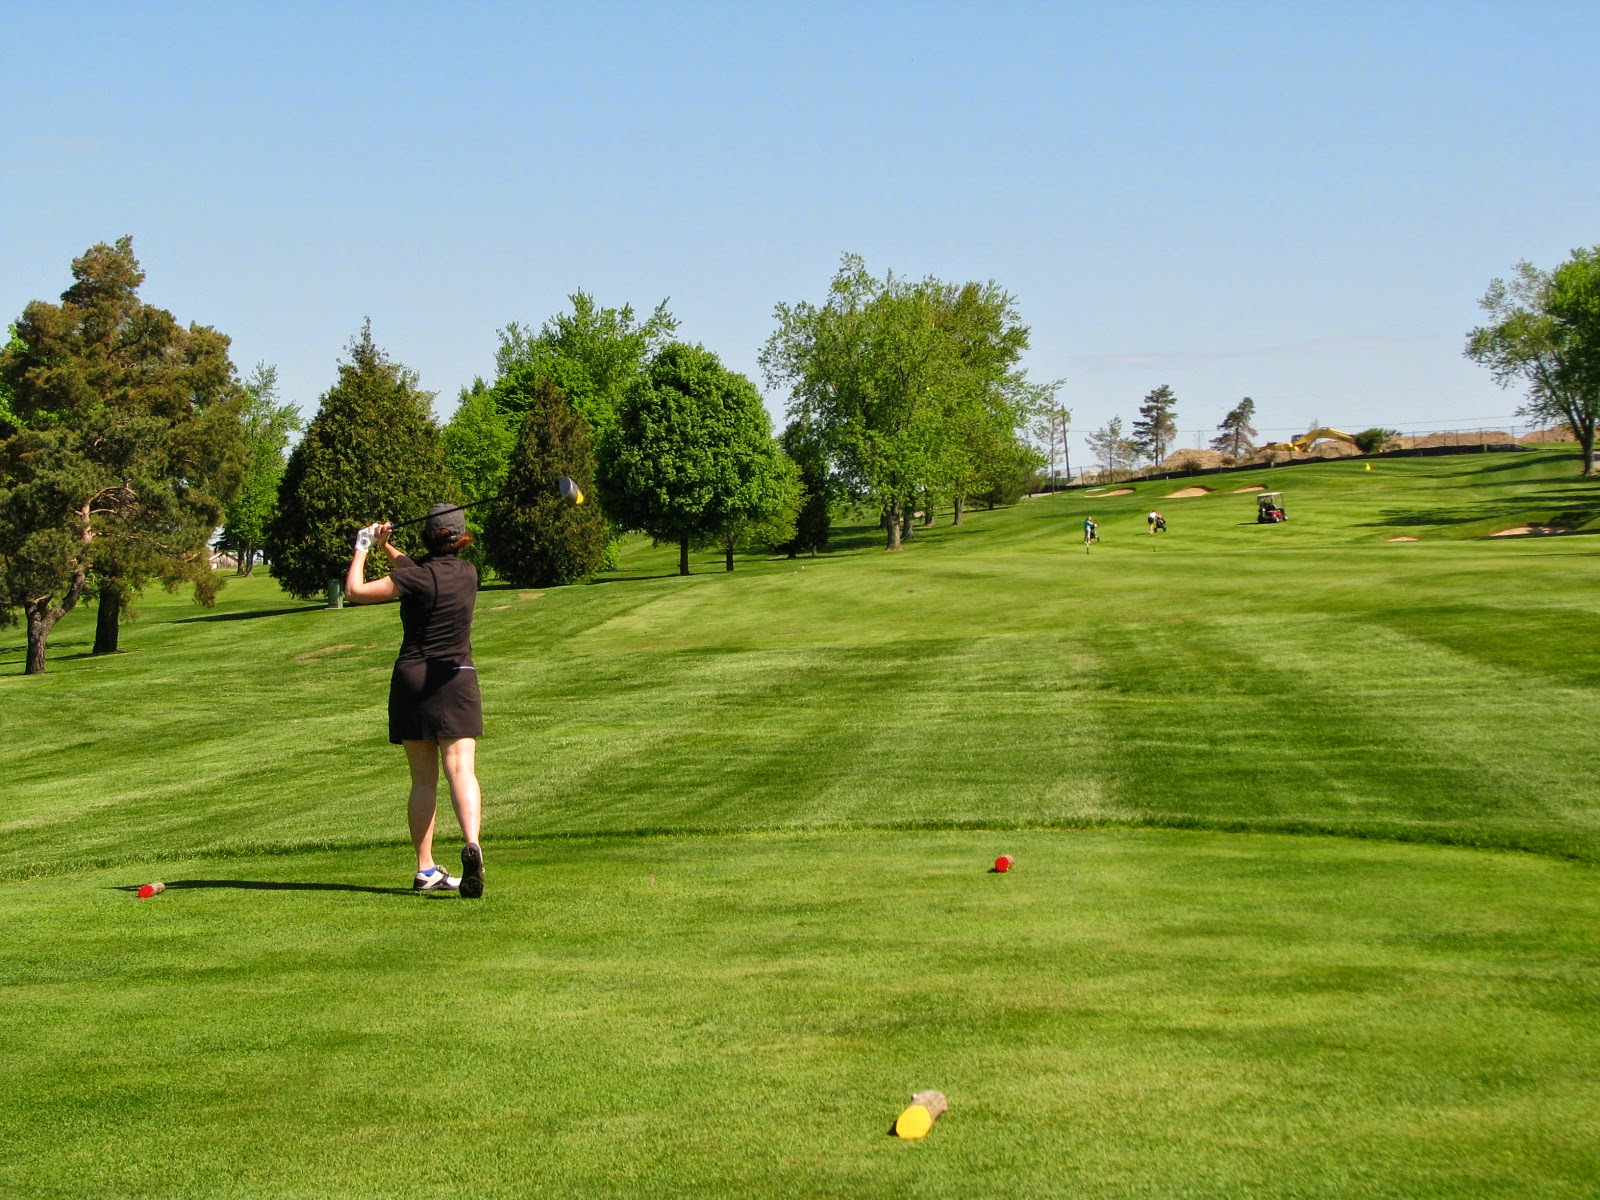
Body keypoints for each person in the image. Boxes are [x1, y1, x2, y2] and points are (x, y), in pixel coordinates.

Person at [347, 504, 486, 897]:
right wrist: (387, 547)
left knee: (423, 779)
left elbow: (356, 591)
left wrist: (364, 547)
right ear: (460, 538)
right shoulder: (468, 573)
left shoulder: (416, 579)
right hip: (457, 678)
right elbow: (418, 573)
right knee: (461, 769)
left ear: (427, 537)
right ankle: (472, 843)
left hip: (414, 680)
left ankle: (425, 868)